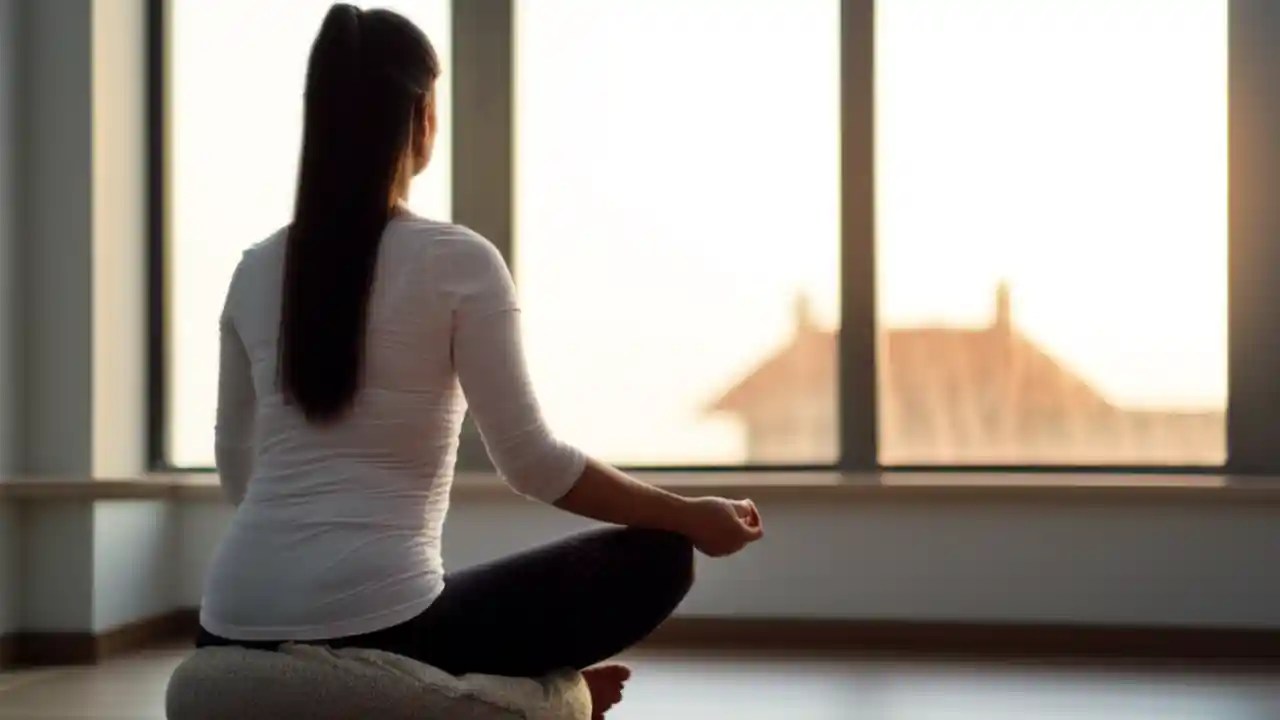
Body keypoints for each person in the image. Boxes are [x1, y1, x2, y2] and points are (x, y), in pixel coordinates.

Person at [195, 5, 764, 717]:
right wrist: (688, 515)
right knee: (658, 557)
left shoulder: (253, 269)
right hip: (391, 628)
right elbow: (533, 463)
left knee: (421, 596)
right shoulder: (457, 260)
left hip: (224, 625)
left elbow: (235, 467)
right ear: (423, 118)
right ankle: (541, 701)